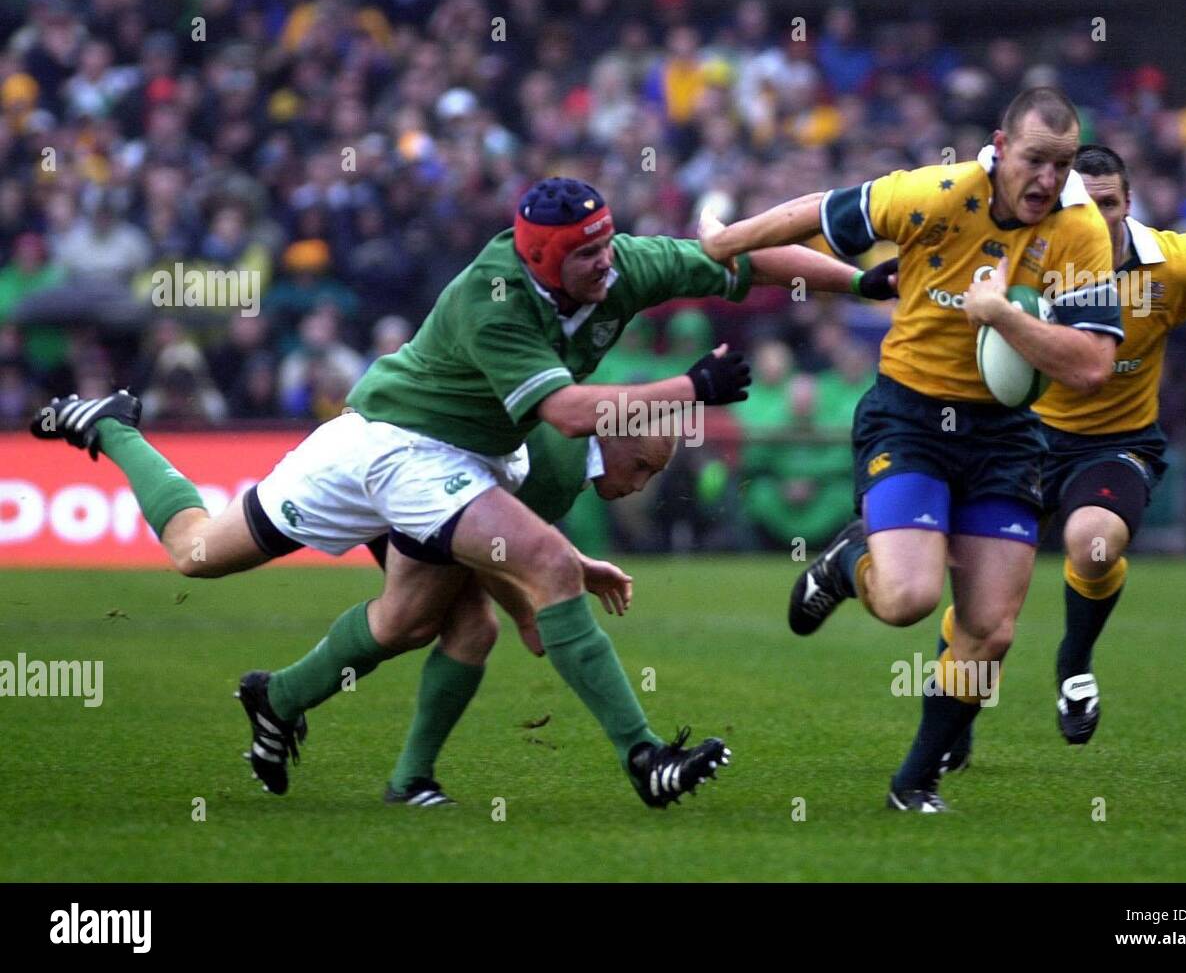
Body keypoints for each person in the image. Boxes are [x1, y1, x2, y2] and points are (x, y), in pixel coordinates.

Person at [32, 176, 870, 809]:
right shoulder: (494, 296)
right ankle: (113, 426)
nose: (605, 261)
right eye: (585, 252)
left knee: (443, 623)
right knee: (197, 553)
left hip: (461, 464)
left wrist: (867, 285)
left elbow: (742, 257)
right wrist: (687, 389)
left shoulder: (618, 268)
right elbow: (571, 410)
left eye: (607, 242)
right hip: (386, 448)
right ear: (540, 258)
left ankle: (306, 715)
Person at [700, 88, 1123, 812]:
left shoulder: (1080, 229)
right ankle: (846, 561)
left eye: (1061, 164)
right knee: (908, 599)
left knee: (989, 630)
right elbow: (821, 210)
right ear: (999, 147)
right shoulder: (934, 192)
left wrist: (1000, 317)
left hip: (1006, 436)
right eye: (1034, 161)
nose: (1048, 180)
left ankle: (914, 782)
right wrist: (728, 240)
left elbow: (1088, 366)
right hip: (912, 418)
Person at [940, 144, 1186, 768]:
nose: (1097, 217)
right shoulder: (1028, 260)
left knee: (1095, 542)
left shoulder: (1175, 263)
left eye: (1108, 203)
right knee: (985, 602)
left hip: (1117, 445)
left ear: (1128, 203)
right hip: (1022, 443)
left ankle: (1074, 662)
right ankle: (954, 724)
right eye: (1081, 204)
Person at [373, 424, 677, 806]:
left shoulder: (565, 458)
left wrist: (574, 564)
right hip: (399, 461)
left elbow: (499, 536)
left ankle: (407, 778)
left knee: (466, 629)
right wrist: (526, 615)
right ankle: (642, 753)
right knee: (403, 623)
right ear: (611, 439)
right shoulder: (555, 464)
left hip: (415, 467)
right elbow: (495, 542)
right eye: (640, 467)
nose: (640, 485)